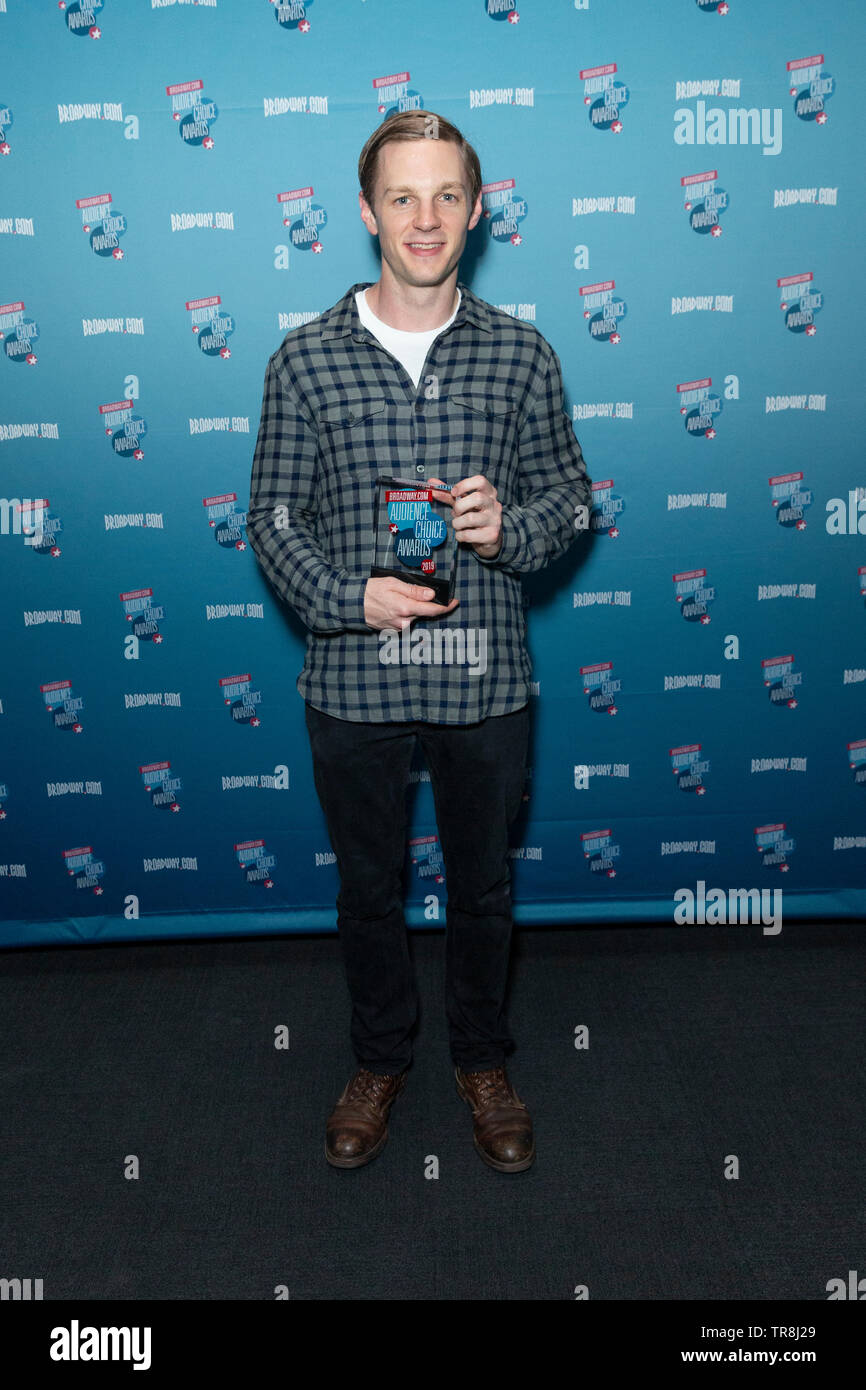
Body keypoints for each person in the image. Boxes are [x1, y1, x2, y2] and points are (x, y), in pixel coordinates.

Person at [247, 110, 591, 1173]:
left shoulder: (521, 352)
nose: (424, 217)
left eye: (446, 194)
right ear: (366, 212)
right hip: (353, 676)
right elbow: (269, 516)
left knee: (484, 888)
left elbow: (570, 501)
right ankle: (379, 1056)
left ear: (477, 209)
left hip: (484, 679)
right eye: (402, 195)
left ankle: (481, 1058)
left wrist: (511, 526)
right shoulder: (303, 359)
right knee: (367, 888)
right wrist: (354, 596)